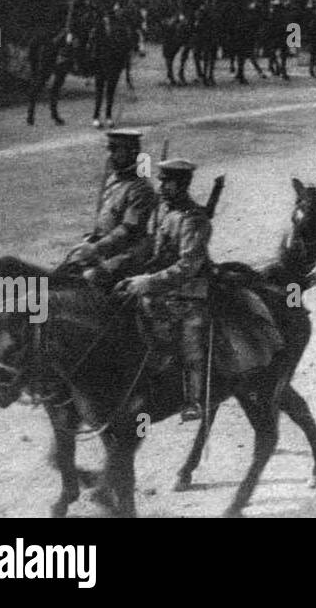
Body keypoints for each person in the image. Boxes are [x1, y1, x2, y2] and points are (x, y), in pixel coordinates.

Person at [116, 159, 213, 422]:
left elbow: (187, 266)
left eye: (166, 182)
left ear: (181, 184)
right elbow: (153, 249)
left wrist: (147, 282)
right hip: (159, 285)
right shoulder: (163, 211)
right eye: (159, 180)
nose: (160, 186)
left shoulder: (194, 219)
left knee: (190, 342)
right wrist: (131, 271)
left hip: (188, 293)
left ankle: (194, 399)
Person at [64, 129, 156, 286]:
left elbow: (128, 229)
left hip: (125, 254)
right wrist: (91, 240)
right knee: (66, 269)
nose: (110, 155)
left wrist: (96, 248)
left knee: (88, 281)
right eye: (109, 149)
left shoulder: (141, 188)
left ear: (132, 152)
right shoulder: (114, 178)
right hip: (104, 248)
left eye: (115, 149)